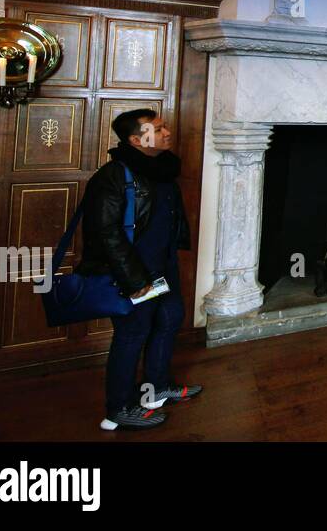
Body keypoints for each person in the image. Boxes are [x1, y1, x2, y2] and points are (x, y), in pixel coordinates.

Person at [77, 109, 202, 430]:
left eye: (164, 127)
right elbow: (105, 234)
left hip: (164, 266)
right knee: (132, 334)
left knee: (169, 319)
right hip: (133, 272)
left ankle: (156, 389)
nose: (167, 132)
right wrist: (134, 280)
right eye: (158, 129)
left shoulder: (163, 170)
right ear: (136, 139)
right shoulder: (112, 176)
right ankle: (118, 408)